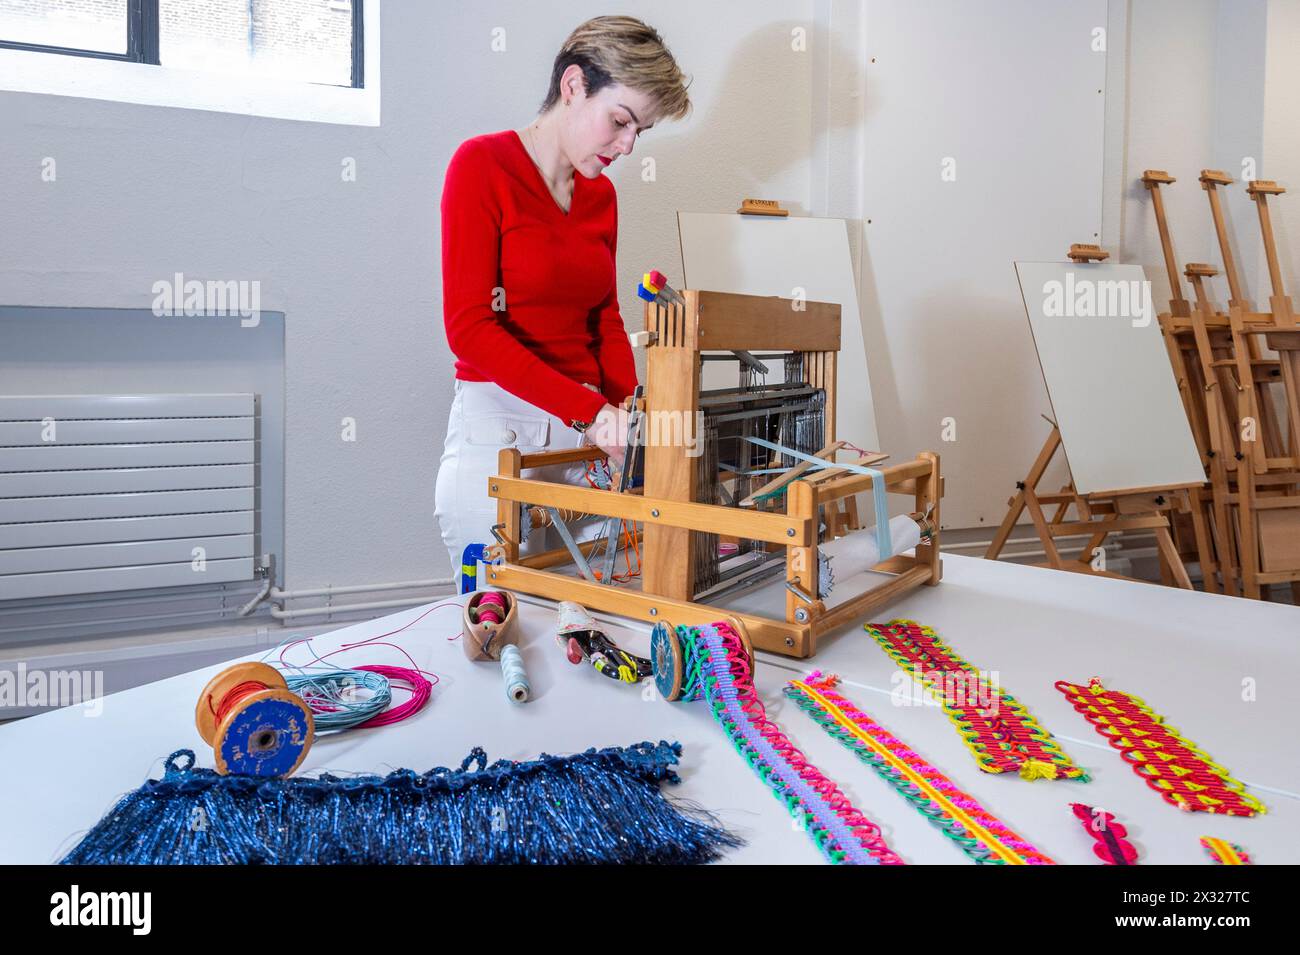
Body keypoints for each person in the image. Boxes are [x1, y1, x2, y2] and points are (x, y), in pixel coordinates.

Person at [435, 16, 691, 579]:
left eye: (639, 132)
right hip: (504, 431)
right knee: (501, 626)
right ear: (573, 86)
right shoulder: (481, 166)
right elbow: (471, 330)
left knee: (602, 615)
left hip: (589, 437)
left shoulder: (601, 198)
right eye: (620, 121)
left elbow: (604, 317)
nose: (627, 145)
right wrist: (594, 414)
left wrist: (629, 415)